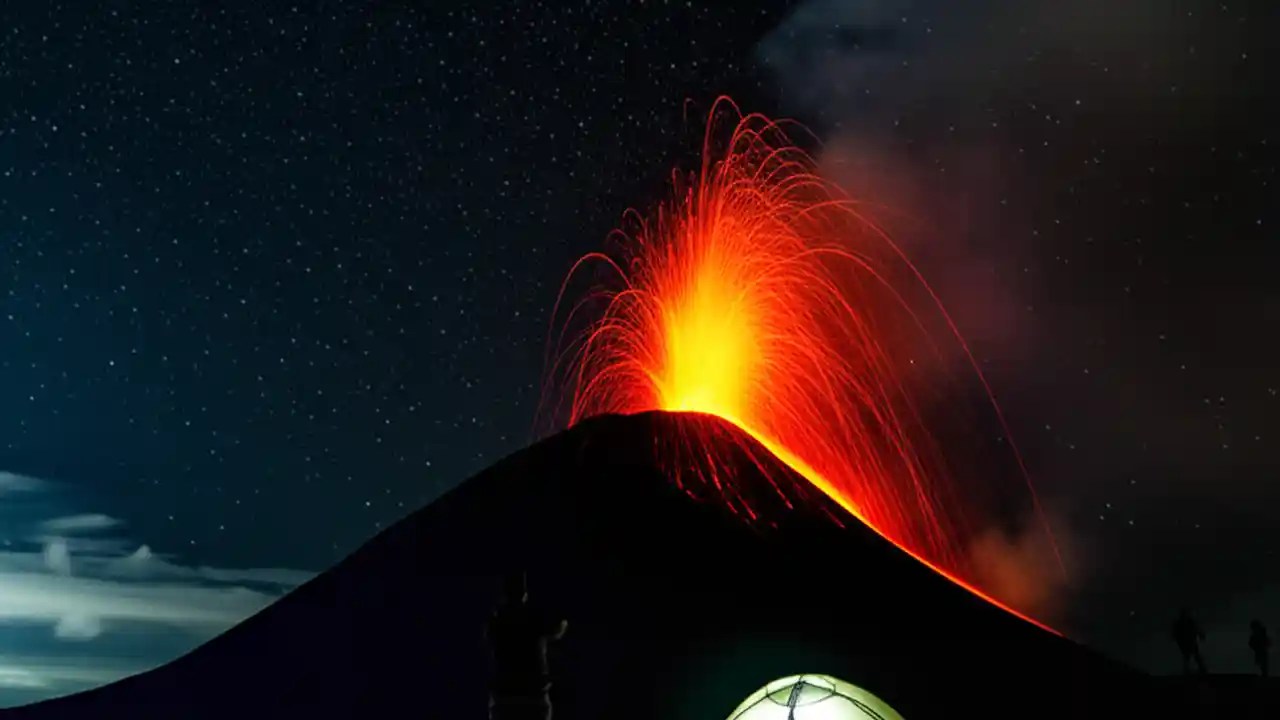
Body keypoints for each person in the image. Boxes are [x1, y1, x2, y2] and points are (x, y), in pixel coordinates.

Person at [486, 572, 568, 720]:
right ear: (524, 594)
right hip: (533, 696)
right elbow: (558, 628)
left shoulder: (496, 620)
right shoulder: (535, 618)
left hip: (505, 697)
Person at [1172, 608, 1207, 675]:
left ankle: (1198, 669)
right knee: (1192, 655)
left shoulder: (1186, 622)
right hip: (1187, 641)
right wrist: (1201, 635)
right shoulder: (1184, 622)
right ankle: (1200, 669)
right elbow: (1196, 629)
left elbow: (1196, 629)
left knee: (1190, 656)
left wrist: (1201, 634)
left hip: (1187, 641)